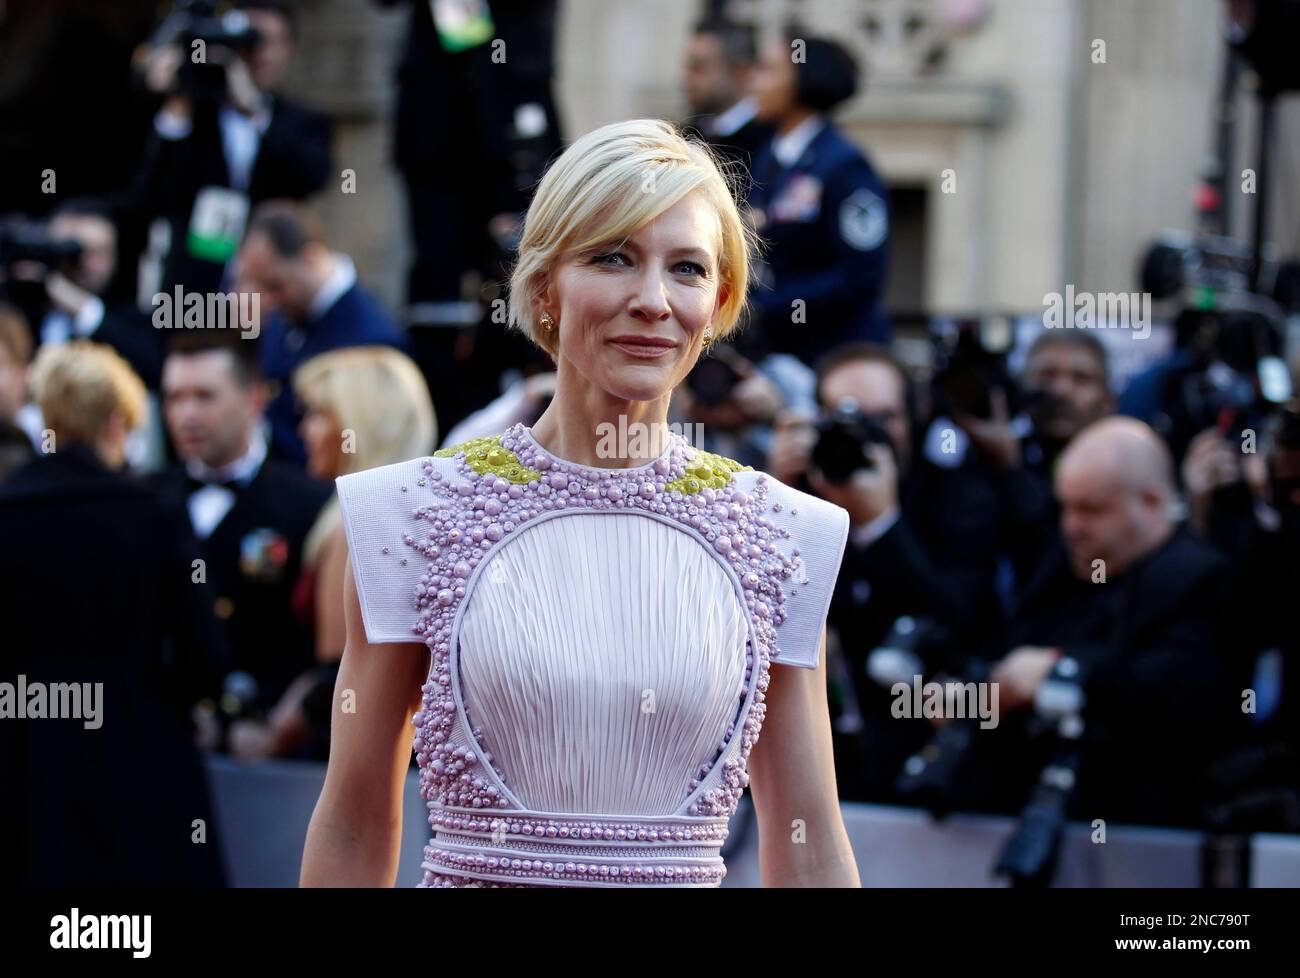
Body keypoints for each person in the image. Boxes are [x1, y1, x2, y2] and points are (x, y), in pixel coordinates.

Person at [302, 119, 859, 888]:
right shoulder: (406, 515)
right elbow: (356, 817)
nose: (654, 300)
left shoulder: (785, 532)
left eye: (688, 269)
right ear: (542, 286)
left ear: (721, 299)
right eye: (613, 258)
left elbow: (809, 841)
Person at [0, 341, 228, 885]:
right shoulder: (153, 514)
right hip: (138, 754)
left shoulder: (6, 511)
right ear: (113, 422)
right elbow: (206, 653)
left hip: (22, 763)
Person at [963, 418, 1245, 827]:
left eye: (1092, 510)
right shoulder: (1060, 569)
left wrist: (1062, 669)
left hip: (1150, 829)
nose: (1072, 527)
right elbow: (1008, 645)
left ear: (1151, 502)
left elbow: (1178, 696)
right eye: (1066, 508)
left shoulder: (1200, 578)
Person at [229, 345, 437, 760]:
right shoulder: (409, 511)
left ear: (359, 424)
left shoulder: (358, 523)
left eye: (318, 414)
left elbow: (337, 674)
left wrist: (273, 736)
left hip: (341, 757)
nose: (304, 429)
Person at [154, 332, 331, 724]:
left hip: (269, 742)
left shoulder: (311, 505)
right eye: (174, 398)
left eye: (204, 396)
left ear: (255, 399)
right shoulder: (142, 501)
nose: (186, 415)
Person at [132, 0, 332, 298]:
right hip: (193, 292)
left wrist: (254, 110)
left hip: (271, 288)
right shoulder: (196, 116)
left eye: (266, 41)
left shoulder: (303, 122)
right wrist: (178, 99)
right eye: (247, 39)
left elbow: (311, 177)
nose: (256, 53)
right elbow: (151, 195)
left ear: (290, 50)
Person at [746, 32, 890, 363]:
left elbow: (860, 276)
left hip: (837, 354)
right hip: (780, 351)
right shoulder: (769, 157)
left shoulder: (843, 164)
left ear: (803, 81)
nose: (754, 82)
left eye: (768, 70)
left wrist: (766, 308)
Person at [234, 200, 408, 465]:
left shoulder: (372, 340)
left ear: (310, 258)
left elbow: (366, 455)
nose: (265, 300)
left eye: (273, 285)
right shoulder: (288, 312)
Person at [682, 19, 774, 180]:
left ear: (739, 72)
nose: (687, 77)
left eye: (699, 67)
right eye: (688, 66)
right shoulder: (686, 137)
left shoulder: (769, 142)